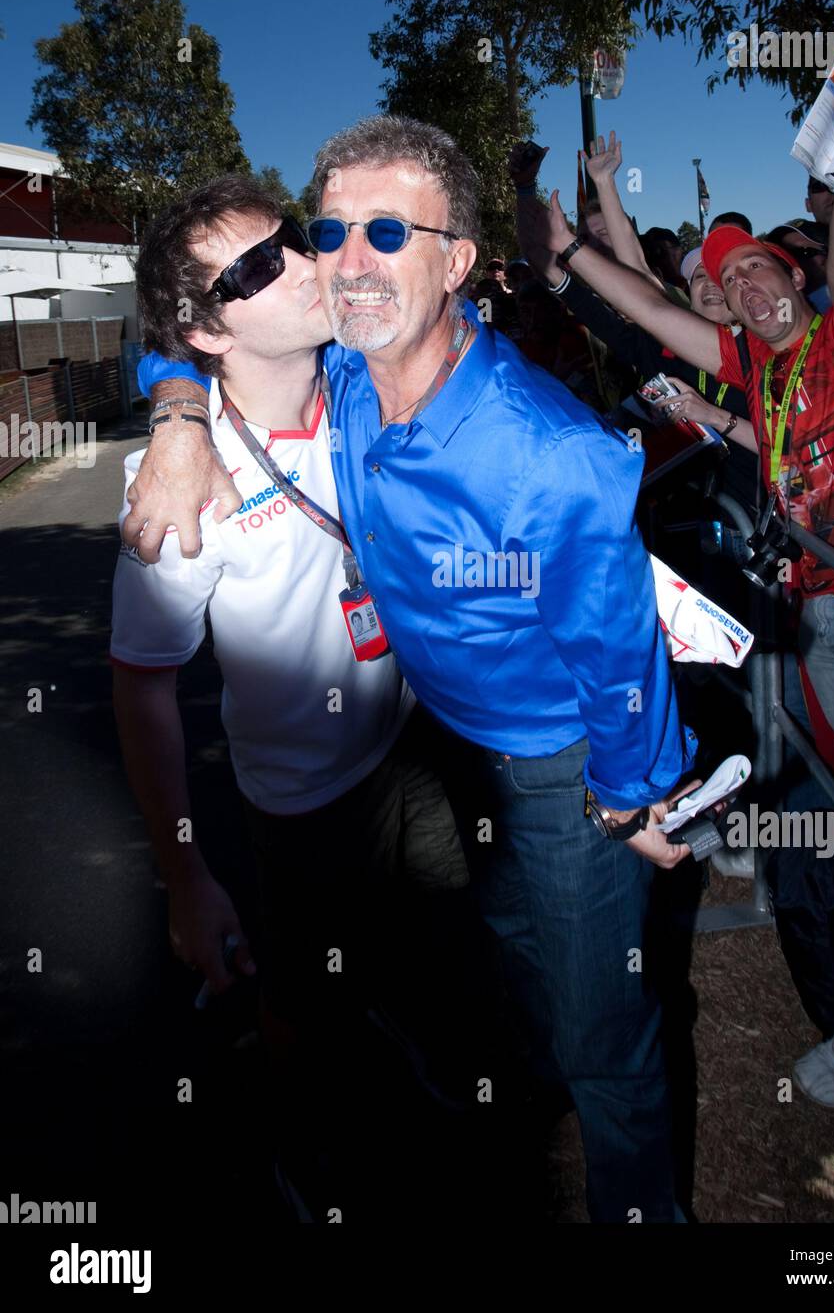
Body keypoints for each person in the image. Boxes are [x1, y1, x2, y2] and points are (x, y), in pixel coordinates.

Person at [122, 115, 702, 1223]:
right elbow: (187, 328)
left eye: (387, 231)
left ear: (457, 264)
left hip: (558, 767)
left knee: (604, 1034)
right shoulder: (341, 371)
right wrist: (176, 410)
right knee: (507, 962)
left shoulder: (549, 452)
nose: (343, 260)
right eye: (329, 228)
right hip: (437, 748)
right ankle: (508, 1108)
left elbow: (618, 648)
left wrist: (634, 793)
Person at [521, 170, 834, 1107]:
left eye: (763, 265)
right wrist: (568, 250)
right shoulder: (752, 367)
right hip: (817, 604)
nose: (753, 285)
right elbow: (640, 301)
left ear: (790, 275)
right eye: (735, 279)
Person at [113, 174, 472, 1214]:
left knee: (435, 938)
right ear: (208, 328)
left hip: (416, 742)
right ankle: (305, 1147)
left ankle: (417, 1048)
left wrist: (172, 389)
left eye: (293, 241)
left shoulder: (365, 380)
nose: (308, 265)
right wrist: (183, 877)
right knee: (301, 1002)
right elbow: (141, 690)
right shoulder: (179, 483)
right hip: (299, 802)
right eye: (258, 267)